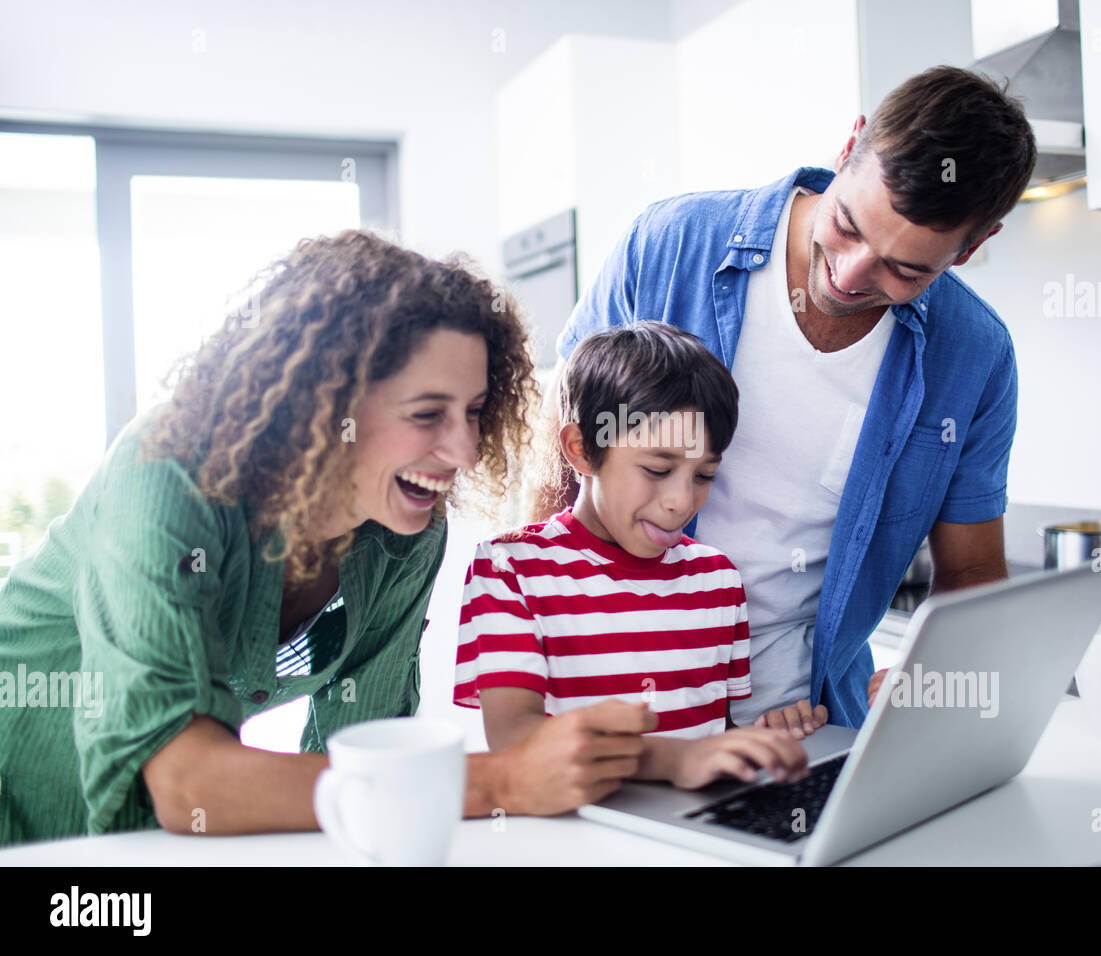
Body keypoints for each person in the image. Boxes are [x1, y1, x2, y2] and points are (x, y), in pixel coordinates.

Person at [0, 230, 655, 847]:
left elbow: (363, 754)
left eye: (474, 412)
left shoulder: (407, 532)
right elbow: (184, 780)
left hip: (136, 858)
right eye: (427, 414)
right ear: (327, 401)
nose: (462, 450)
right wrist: (506, 781)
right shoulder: (168, 472)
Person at [528, 66, 1037, 729]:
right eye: (848, 225)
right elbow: (556, 455)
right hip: (612, 703)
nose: (850, 276)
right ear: (849, 146)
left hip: (799, 725)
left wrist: (939, 679)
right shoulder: (670, 245)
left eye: (905, 269)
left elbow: (971, 572)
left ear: (974, 248)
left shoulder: (974, 356)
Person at [456, 322, 809, 788]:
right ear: (581, 450)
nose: (681, 501)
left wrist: (761, 741)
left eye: (703, 475)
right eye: (657, 468)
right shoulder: (509, 571)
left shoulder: (717, 581)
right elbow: (515, 739)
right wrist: (673, 760)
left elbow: (714, 735)